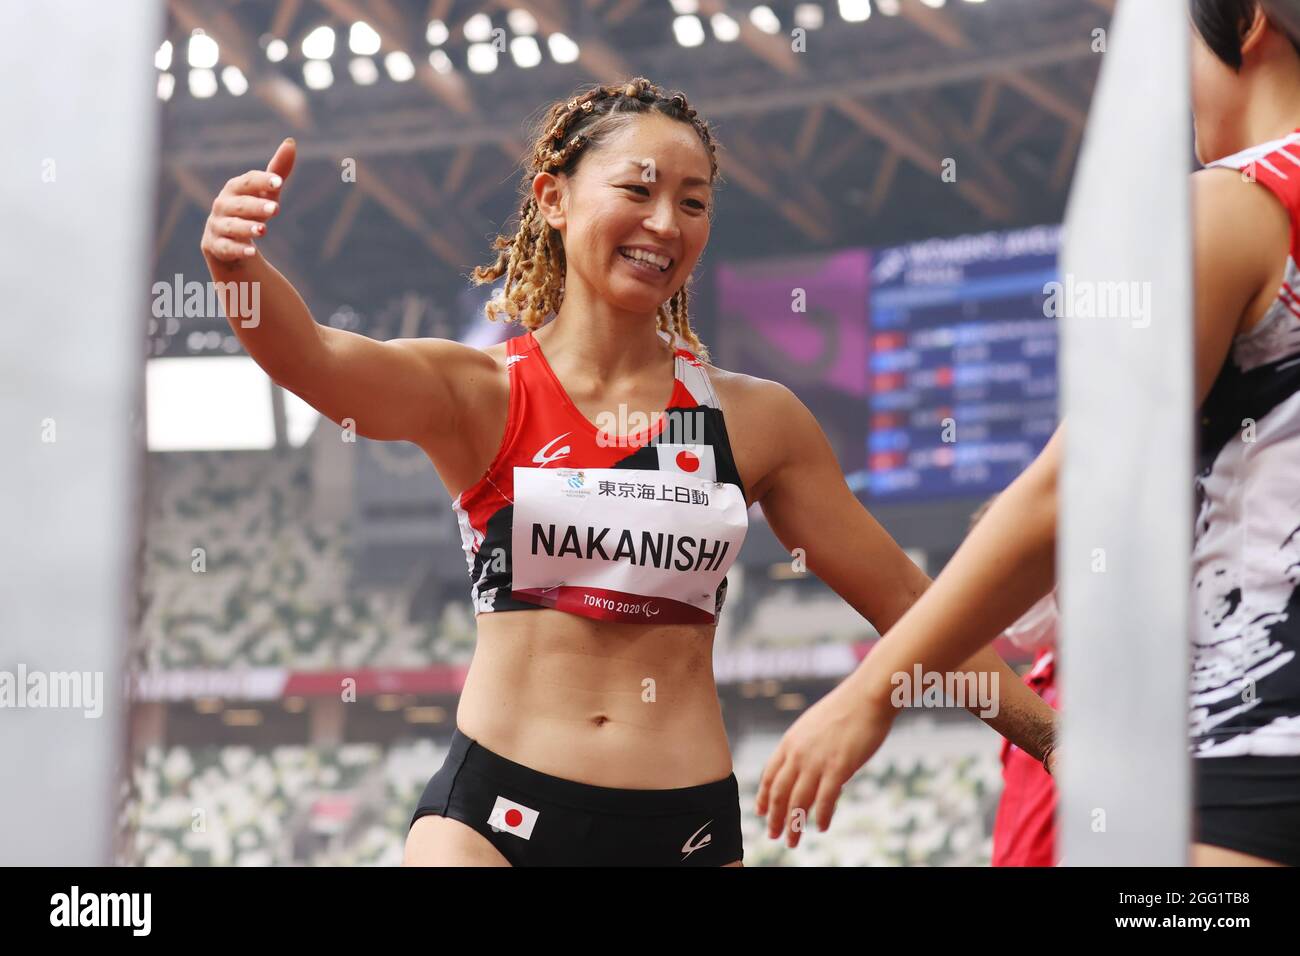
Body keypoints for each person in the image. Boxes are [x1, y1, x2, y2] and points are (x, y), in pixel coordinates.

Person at [201, 77, 1056, 866]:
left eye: (693, 202)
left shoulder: (758, 421)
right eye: (638, 189)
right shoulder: (479, 393)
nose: (666, 223)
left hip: (679, 829)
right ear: (554, 198)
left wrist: (1053, 740)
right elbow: (313, 359)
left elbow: (910, 605)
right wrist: (237, 270)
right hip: (494, 816)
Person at [756, 0, 1300, 867]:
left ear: (1249, 24)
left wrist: (871, 692)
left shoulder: (1233, 206)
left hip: (1260, 749)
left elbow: (1076, 489)